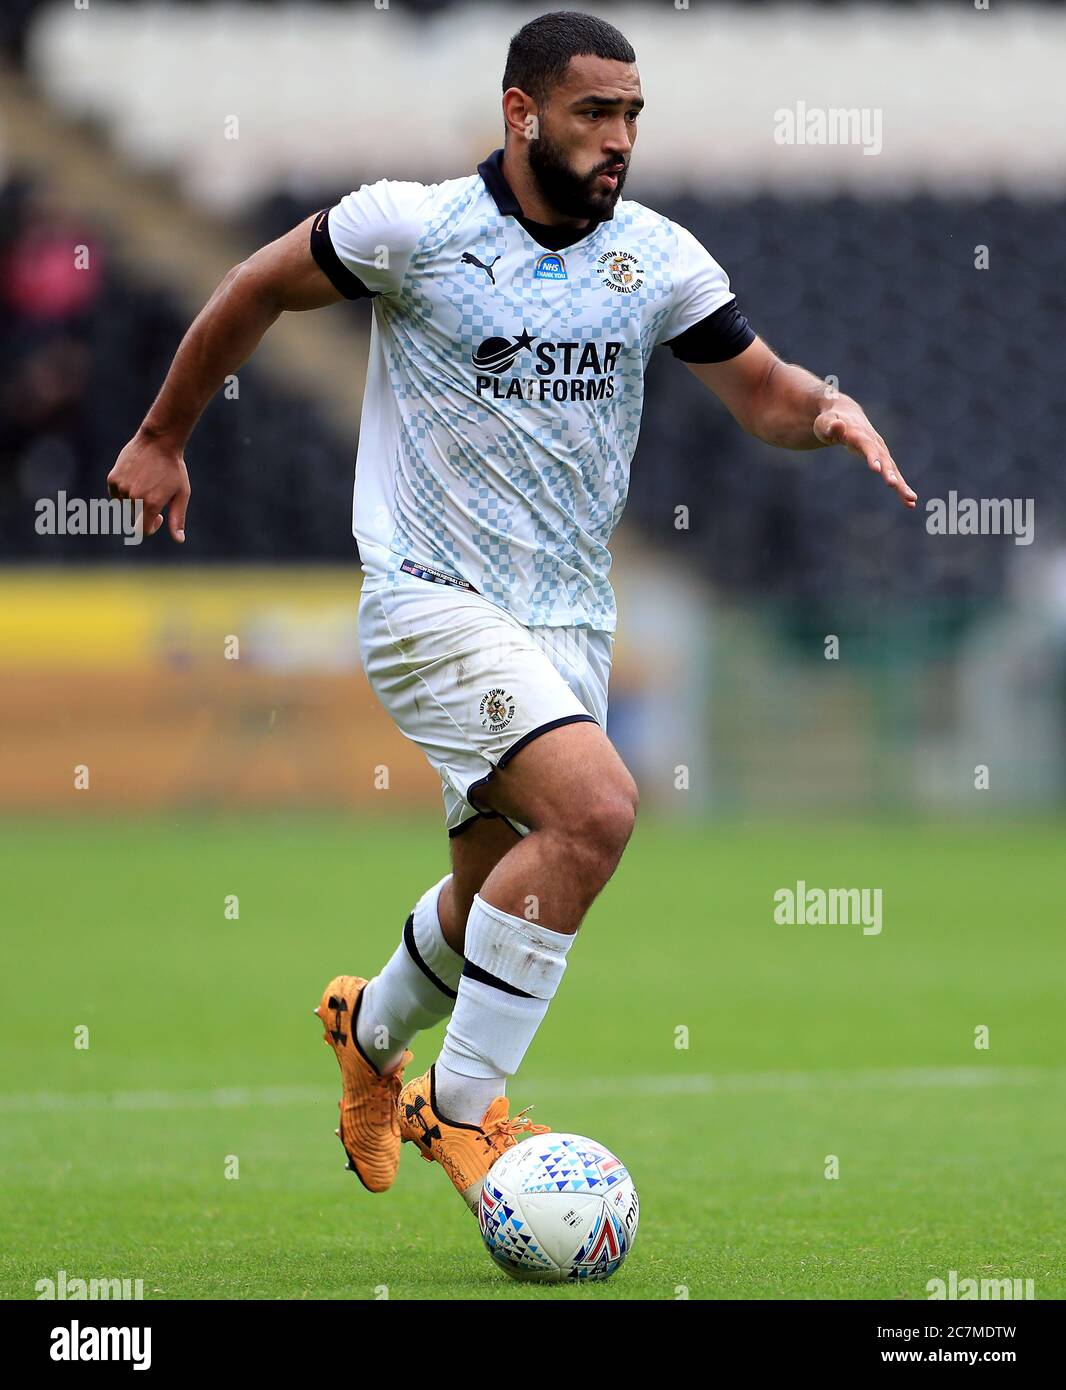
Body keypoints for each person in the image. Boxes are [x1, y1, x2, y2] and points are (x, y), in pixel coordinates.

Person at [107, 10, 916, 1215]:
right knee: (596, 811)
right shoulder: (412, 228)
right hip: (430, 600)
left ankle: (366, 1031)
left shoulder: (654, 256)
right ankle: (463, 1105)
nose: (619, 138)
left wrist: (825, 411)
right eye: (597, 112)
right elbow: (253, 285)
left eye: (633, 114)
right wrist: (163, 434)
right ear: (520, 113)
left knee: (497, 891)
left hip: (567, 624)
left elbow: (761, 390)